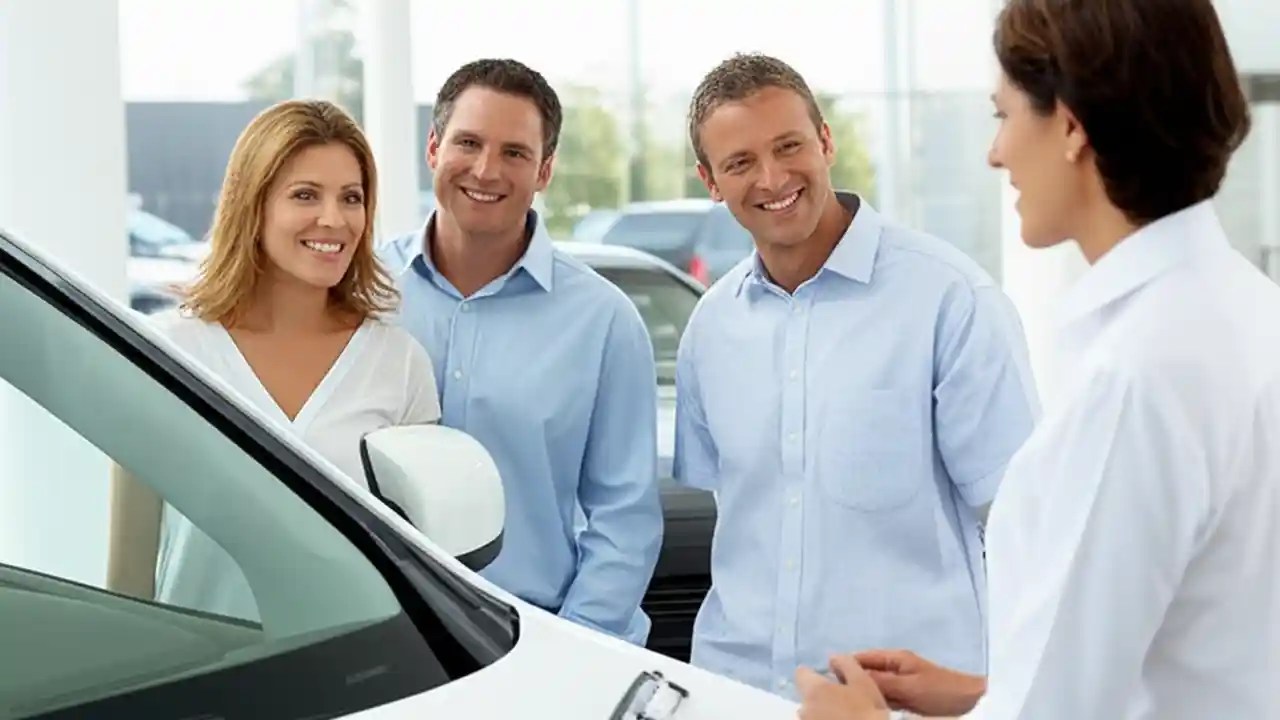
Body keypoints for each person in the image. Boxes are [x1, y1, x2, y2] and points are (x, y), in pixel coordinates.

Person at [794, 1, 1275, 718]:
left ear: (1073, 126)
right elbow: (1200, 643)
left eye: (1003, 115)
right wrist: (984, 693)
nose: (996, 152)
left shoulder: (1137, 374)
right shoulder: (1244, 307)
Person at [674, 53, 1040, 700]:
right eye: (739, 163)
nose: (771, 177)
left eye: (789, 146)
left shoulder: (950, 300)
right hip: (735, 691)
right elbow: (736, 512)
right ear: (710, 180)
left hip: (901, 702)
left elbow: (1023, 529)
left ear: (825, 141)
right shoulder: (711, 327)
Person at [106, 99, 441, 619]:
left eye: (351, 198)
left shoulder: (399, 366)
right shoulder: (166, 354)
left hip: (365, 678)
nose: (334, 219)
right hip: (197, 680)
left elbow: (421, 570)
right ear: (253, 205)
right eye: (305, 195)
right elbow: (128, 574)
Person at [378, 59, 664, 645]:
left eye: (515, 152)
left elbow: (624, 519)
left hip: (537, 639)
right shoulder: (361, 291)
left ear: (546, 170)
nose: (486, 169)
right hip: (378, 639)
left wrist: (572, 650)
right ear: (433, 148)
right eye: (468, 142)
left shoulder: (603, 321)